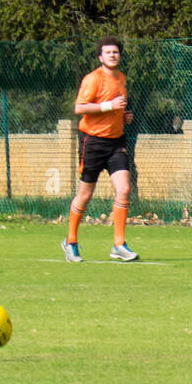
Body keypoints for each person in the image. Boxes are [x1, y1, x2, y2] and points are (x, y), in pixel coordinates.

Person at [62, 37, 139, 263]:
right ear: (100, 57)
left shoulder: (122, 78)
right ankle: (71, 241)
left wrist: (124, 116)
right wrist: (109, 106)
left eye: (115, 52)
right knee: (85, 195)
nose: (112, 55)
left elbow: (117, 108)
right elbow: (80, 107)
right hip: (93, 143)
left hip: (116, 142)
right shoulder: (93, 79)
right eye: (108, 52)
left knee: (124, 189)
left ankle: (119, 244)